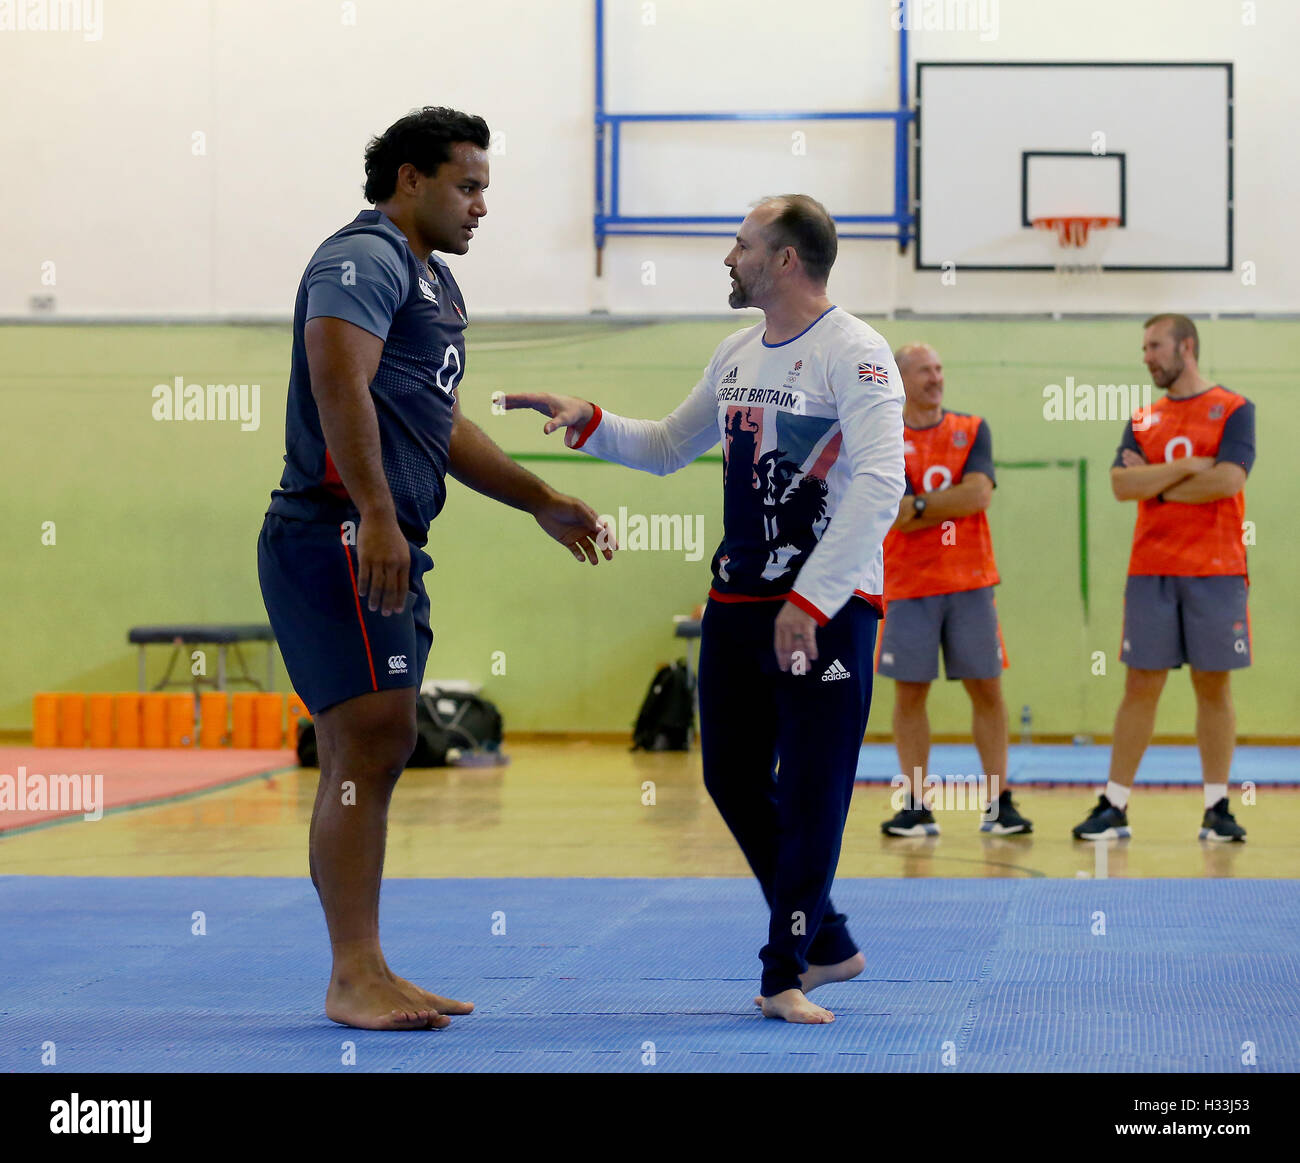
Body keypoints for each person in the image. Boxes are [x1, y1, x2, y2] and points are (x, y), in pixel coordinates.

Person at [505, 195, 905, 1023]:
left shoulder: (857, 354)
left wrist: (812, 596)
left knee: (812, 791)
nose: (729, 257)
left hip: (827, 607)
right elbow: (663, 447)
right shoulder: (734, 352)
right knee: (729, 776)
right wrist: (591, 421)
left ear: (785, 260)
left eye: (741, 244)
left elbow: (879, 483)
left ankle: (784, 968)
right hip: (736, 601)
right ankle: (826, 937)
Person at [257, 107, 613, 1031]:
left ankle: (365, 966)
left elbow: (437, 424)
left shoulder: (435, 285)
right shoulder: (363, 258)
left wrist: (539, 497)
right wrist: (375, 513)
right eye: (468, 184)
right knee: (367, 740)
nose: (482, 204)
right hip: (337, 528)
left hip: (382, 533)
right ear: (409, 178)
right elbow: (337, 374)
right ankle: (352, 973)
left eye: (486, 186)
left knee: (377, 744)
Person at [1073, 313, 1254, 843]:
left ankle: (1218, 809)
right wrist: (1187, 467)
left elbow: (1227, 480)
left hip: (1217, 571)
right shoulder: (1143, 418)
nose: (1146, 356)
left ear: (1187, 347)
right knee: (1139, 686)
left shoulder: (1234, 409)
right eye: (1145, 347)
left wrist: (1155, 484)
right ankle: (1115, 805)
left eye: (1154, 346)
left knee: (1213, 687)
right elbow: (1120, 485)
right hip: (1151, 570)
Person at [876, 344, 1030, 837]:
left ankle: (999, 803)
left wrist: (919, 505)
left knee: (987, 688)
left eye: (940, 369)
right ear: (900, 380)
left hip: (971, 581)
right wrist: (942, 504)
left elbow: (979, 493)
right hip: (907, 583)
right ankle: (918, 804)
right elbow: (892, 511)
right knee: (910, 694)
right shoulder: (884, 435)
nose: (936, 378)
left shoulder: (971, 429)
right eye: (925, 371)